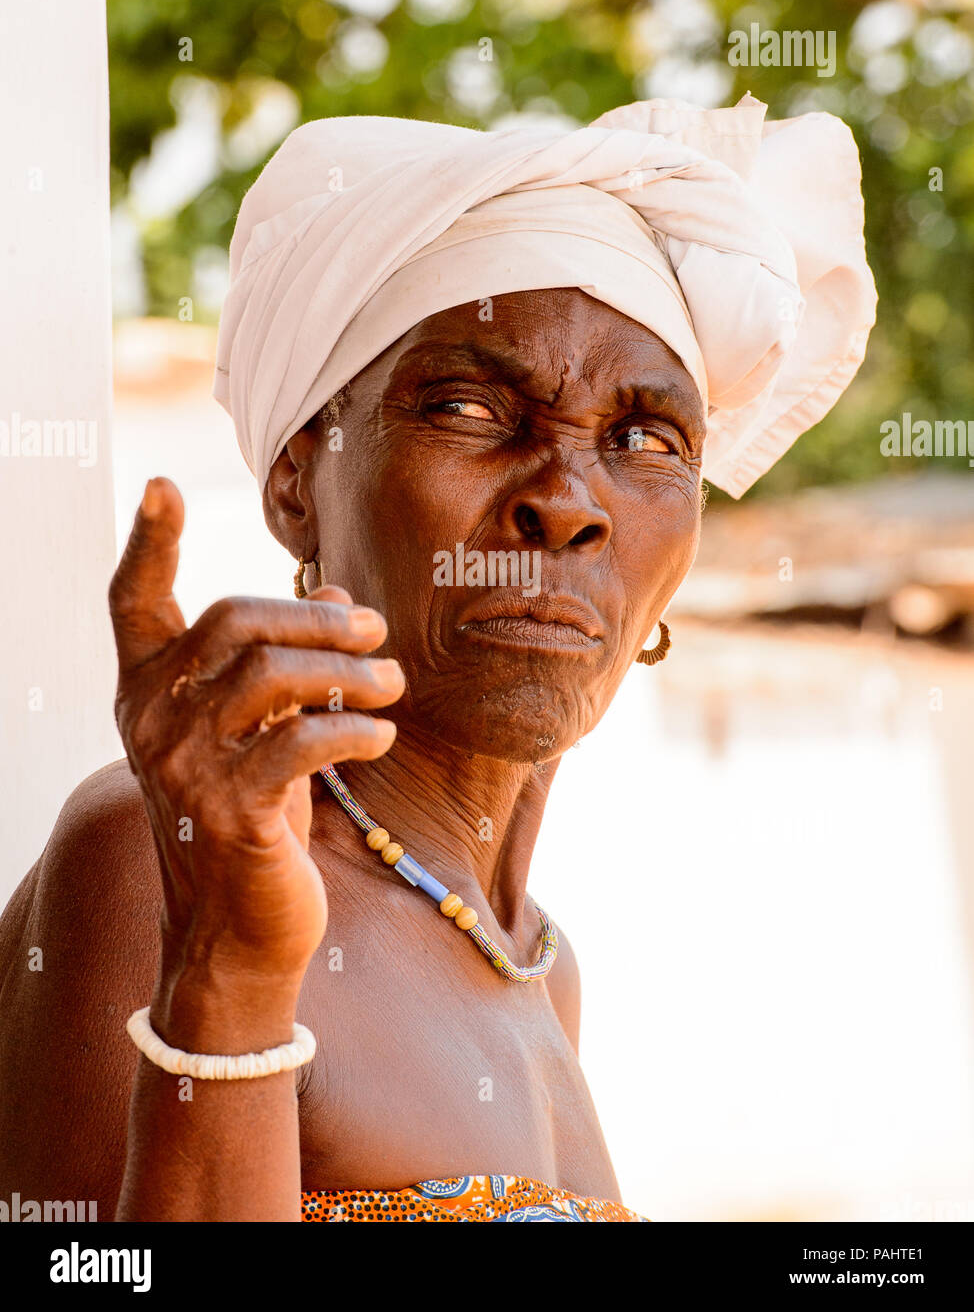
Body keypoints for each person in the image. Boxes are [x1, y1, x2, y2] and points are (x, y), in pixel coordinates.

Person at [0, 94, 876, 1222]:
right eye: (467, 407)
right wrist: (226, 971)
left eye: (644, 439)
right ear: (294, 484)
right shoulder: (157, 854)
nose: (567, 502)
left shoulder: (540, 964)